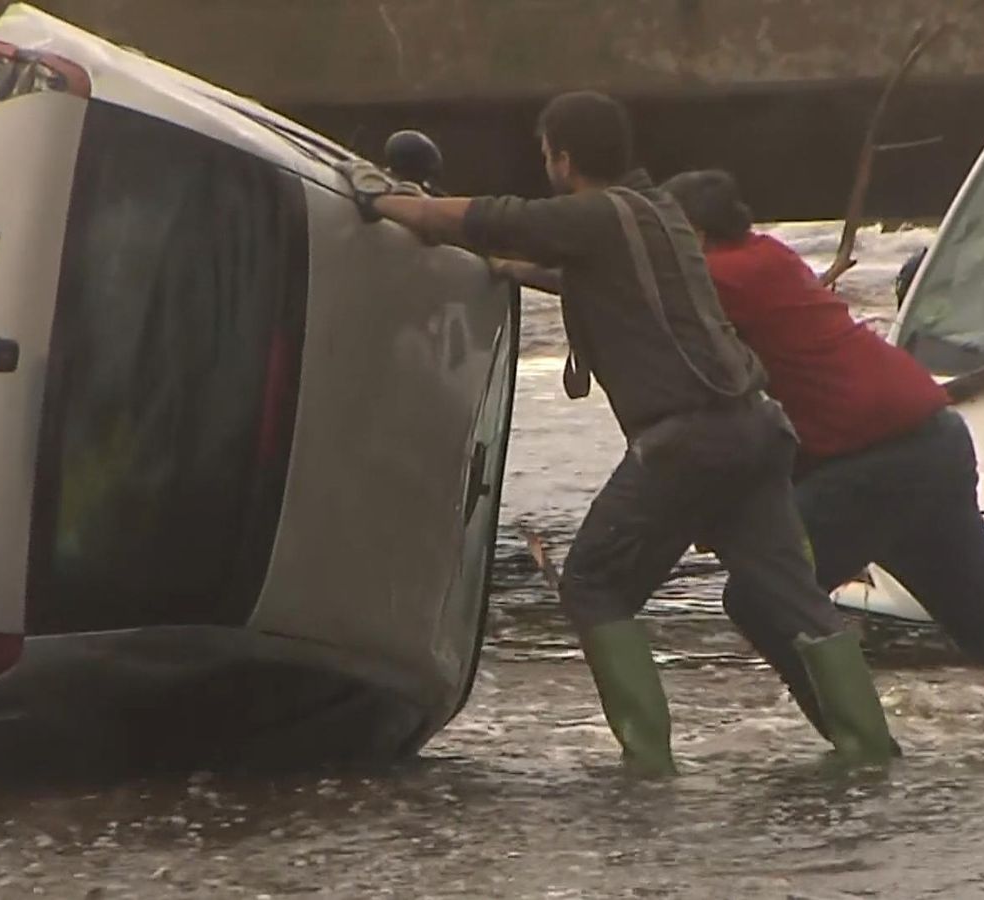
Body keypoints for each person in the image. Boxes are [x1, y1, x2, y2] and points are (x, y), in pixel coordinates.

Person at [333, 92, 898, 775]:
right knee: (795, 599)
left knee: (593, 584)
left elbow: (482, 218)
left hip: (685, 443)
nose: (546, 164)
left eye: (547, 153)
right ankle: (870, 752)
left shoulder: (592, 215)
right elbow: (606, 280)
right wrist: (516, 270)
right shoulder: (658, 212)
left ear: (565, 159)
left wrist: (381, 199)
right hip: (756, 429)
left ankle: (649, 767)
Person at [659, 169, 984, 761]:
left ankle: (863, 743)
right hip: (934, 439)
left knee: (761, 597)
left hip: (879, 461)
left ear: (692, 234)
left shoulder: (719, 278)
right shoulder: (771, 256)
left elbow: (641, 298)